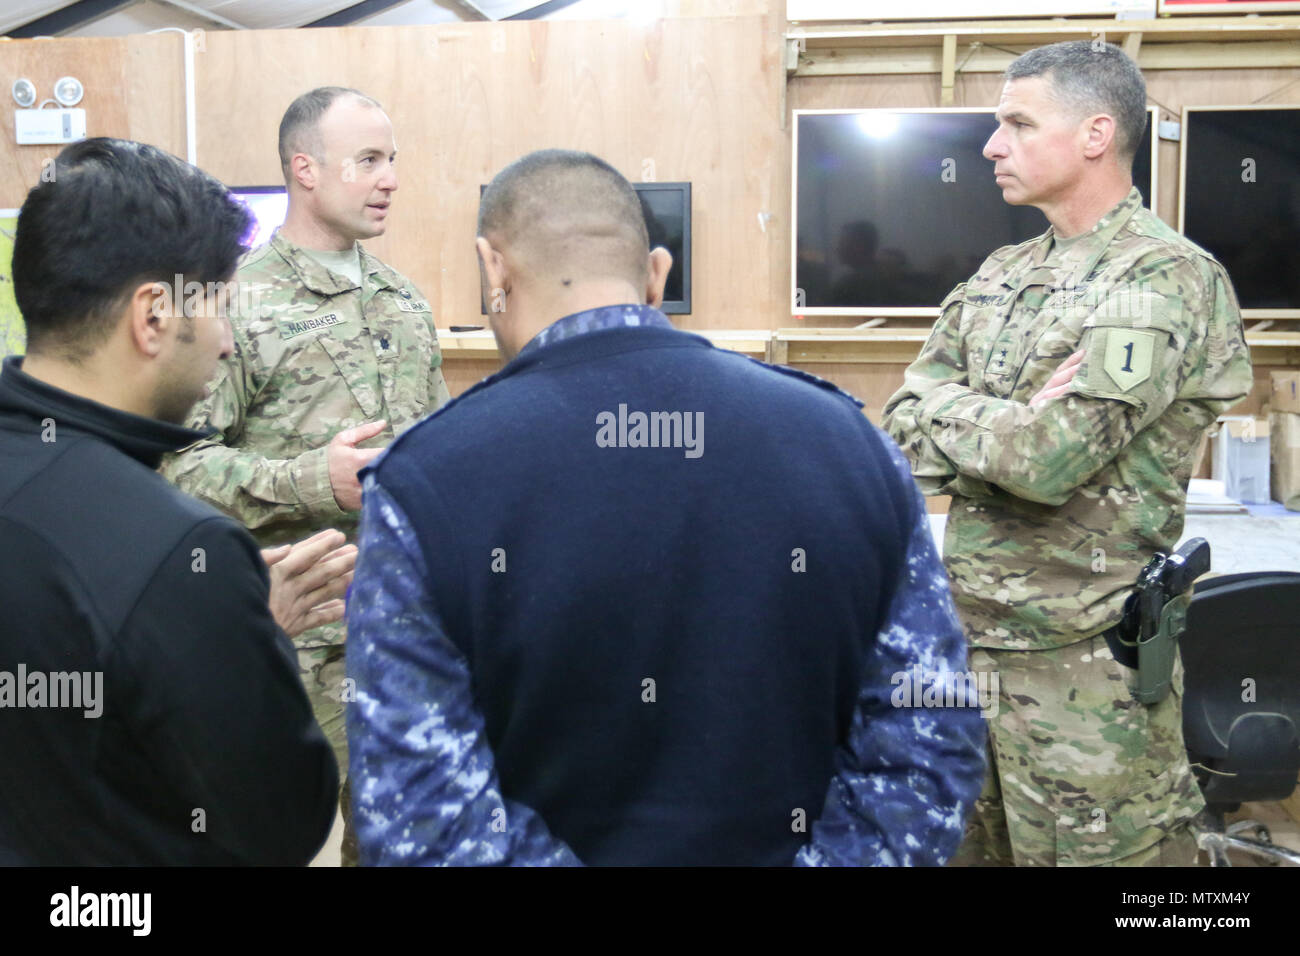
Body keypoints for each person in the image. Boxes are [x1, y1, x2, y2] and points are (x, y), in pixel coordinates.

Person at [344, 149, 986, 866]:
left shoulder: (424, 479)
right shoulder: (850, 443)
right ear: (657, 273)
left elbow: (419, 816)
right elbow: (932, 741)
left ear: (492, 269)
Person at [882, 41, 1253, 867]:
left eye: (1018, 122)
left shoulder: (1162, 278)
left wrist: (970, 419)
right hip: (969, 655)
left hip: (1086, 676)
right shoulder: (999, 275)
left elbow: (1047, 461)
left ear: (1095, 133)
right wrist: (1000, 420)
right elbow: (900, 431)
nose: (990, 146)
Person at [0, 138, 351, 864]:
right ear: (154, 315)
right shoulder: (176, 554)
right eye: (221, 308)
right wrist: (250, 639)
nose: (227, 344)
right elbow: (280, 821)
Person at [159, 87, 452, 863]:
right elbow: (176, 470)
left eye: (392, 160)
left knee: (403, 845)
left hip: (406, 635)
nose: (389, 177)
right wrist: (310, 480)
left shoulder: (403, 301)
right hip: (291, 642)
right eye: (368, 160)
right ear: (304, 170)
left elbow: (438, 454)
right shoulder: (237, 303)